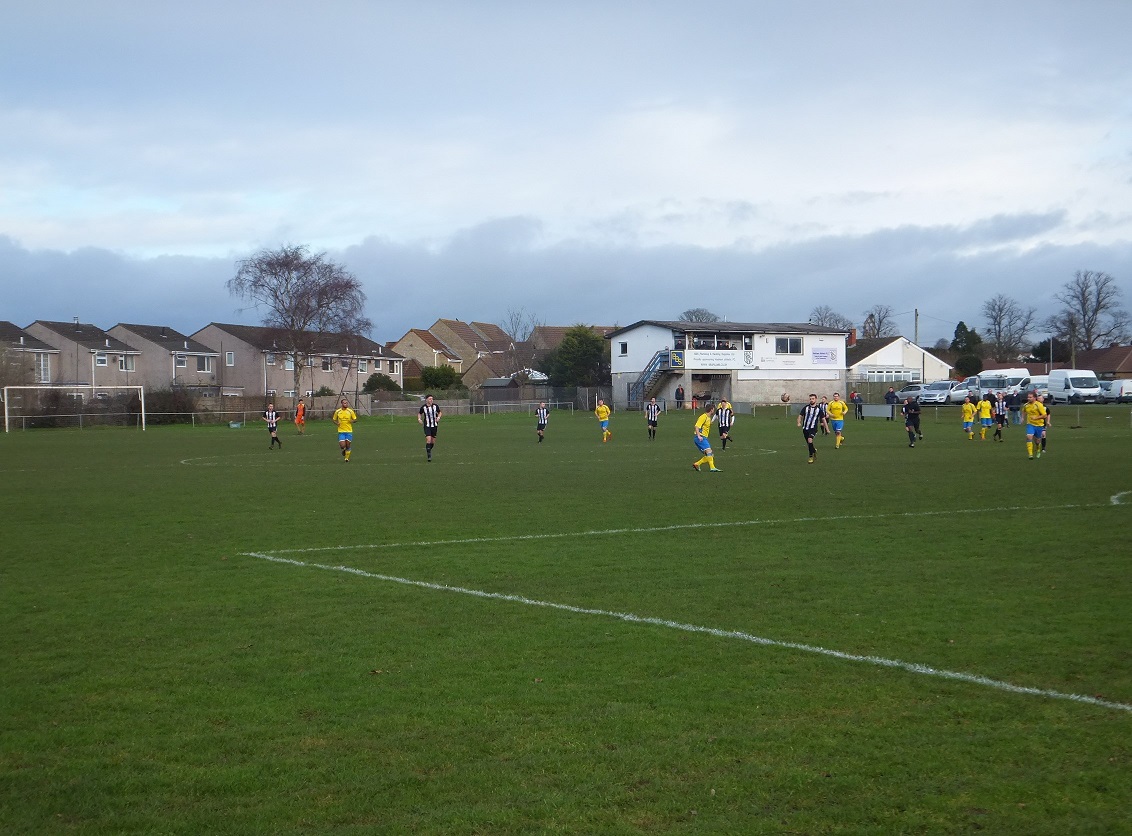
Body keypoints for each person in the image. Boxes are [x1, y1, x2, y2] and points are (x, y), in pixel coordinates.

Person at [692, 405, 721, 472]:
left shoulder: (708, 417)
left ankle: (697, 464)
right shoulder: (703, 417)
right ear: (711, 410)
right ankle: (712, 468)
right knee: (709, 452)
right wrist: (699, 436)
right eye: (713, 409)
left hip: (704, 437)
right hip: (700, 437)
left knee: (710, 455)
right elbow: (696, 426)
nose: (714, 411)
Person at [1021, 390, 1047, 459]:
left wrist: (1036, 417)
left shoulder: (1039, 405)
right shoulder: (1026, 405)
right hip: (1030, 424)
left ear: (1034, 398)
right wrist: (1023, 418)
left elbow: (1045, 415)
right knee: (1029, 436)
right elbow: (1023, 411)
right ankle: (1030, 454)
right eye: (1028, 397)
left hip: (1039, 425)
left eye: (1030, 397)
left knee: (1037, 441)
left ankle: (1038, 449)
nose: (1028, 398)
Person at [798, 393, 822, 463]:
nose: (811, 400)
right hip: (805, 428)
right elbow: (800, 416)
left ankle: (810, 456)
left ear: (816, 399)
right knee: (809, 443)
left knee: (810, 440)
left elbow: (823, 418)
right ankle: (814, 450)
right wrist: (799, 422)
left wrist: (827, 429)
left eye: (813, 399)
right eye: (810, 399)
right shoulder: (806, 408)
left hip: (813, 428)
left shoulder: (818, 409)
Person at [332, 397, 357, 462]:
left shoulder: (350, 411)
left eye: (346, 403)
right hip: (341, 431)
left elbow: (355, 419)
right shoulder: (338, 411)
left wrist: (352, 421)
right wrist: (337, 423)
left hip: (349, 431)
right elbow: (334, 420)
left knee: (348, 445)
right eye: (344, 403)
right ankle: (344, 450)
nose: (346, 404)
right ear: (342, 404)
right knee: (342, 446)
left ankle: (346, 458)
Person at [418, 395, 442, 461]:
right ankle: (429, 456)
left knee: (433, 442)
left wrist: (438, 417)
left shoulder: (435, 406)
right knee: (428, 439)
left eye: (432, 399)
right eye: (430, 399)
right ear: (426, 400)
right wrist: (419, 419)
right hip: (427, 426)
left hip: (434, 425)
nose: (431, 400)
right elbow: (419, 413)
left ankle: (428, 449)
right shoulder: (423, 407)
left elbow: (439, 412)